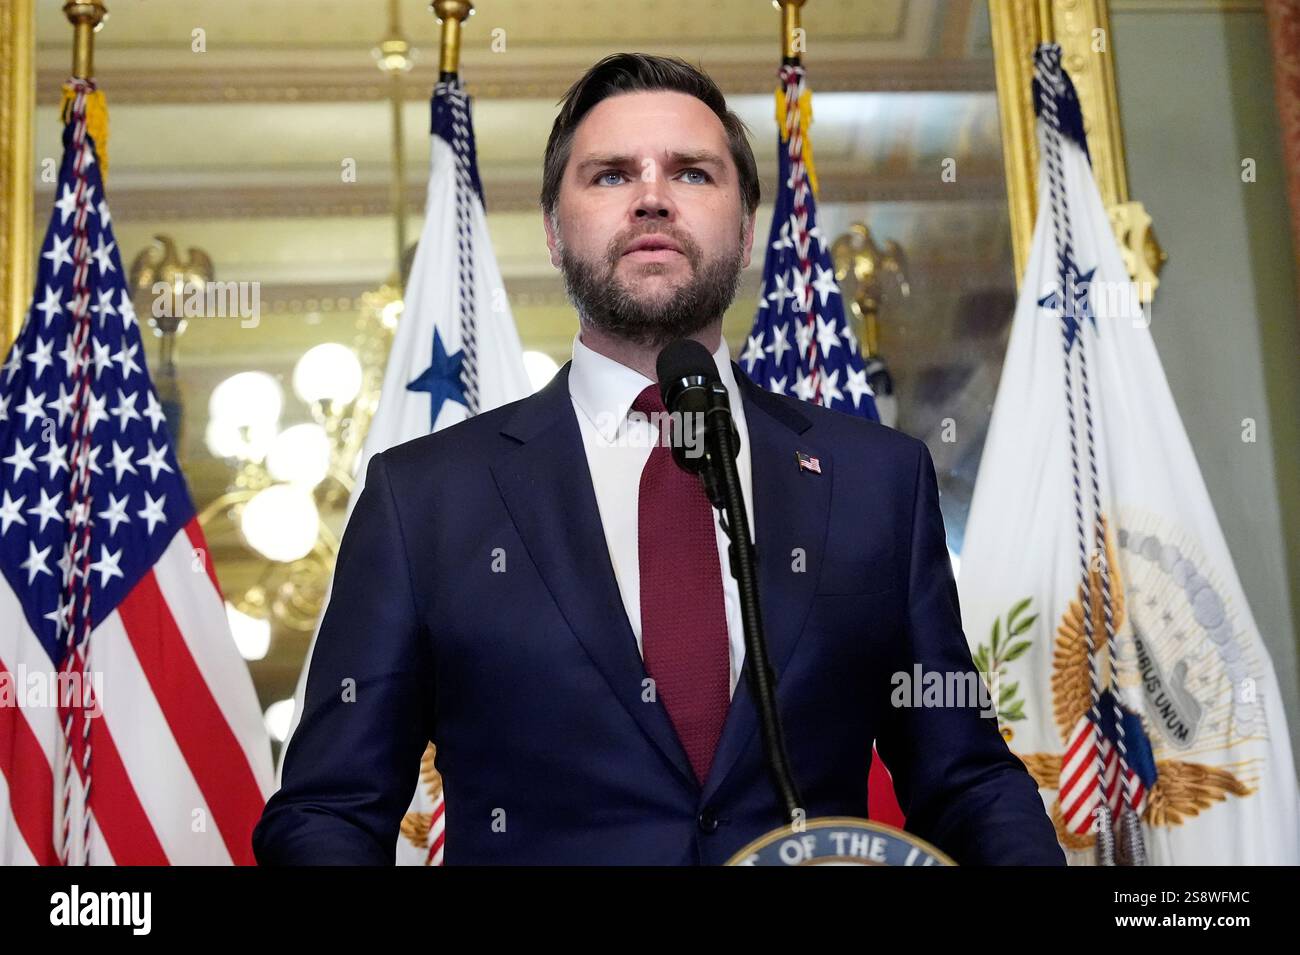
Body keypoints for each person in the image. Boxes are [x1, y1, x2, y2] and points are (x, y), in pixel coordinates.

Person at [253, 53, 1065, 866]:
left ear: (746, 230)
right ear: (552, 229)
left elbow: (965, 781)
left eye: (692, 173)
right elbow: (329, 811)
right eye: (609, 175)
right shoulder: (424, 498)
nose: (651, 196)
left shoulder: (876, 482)